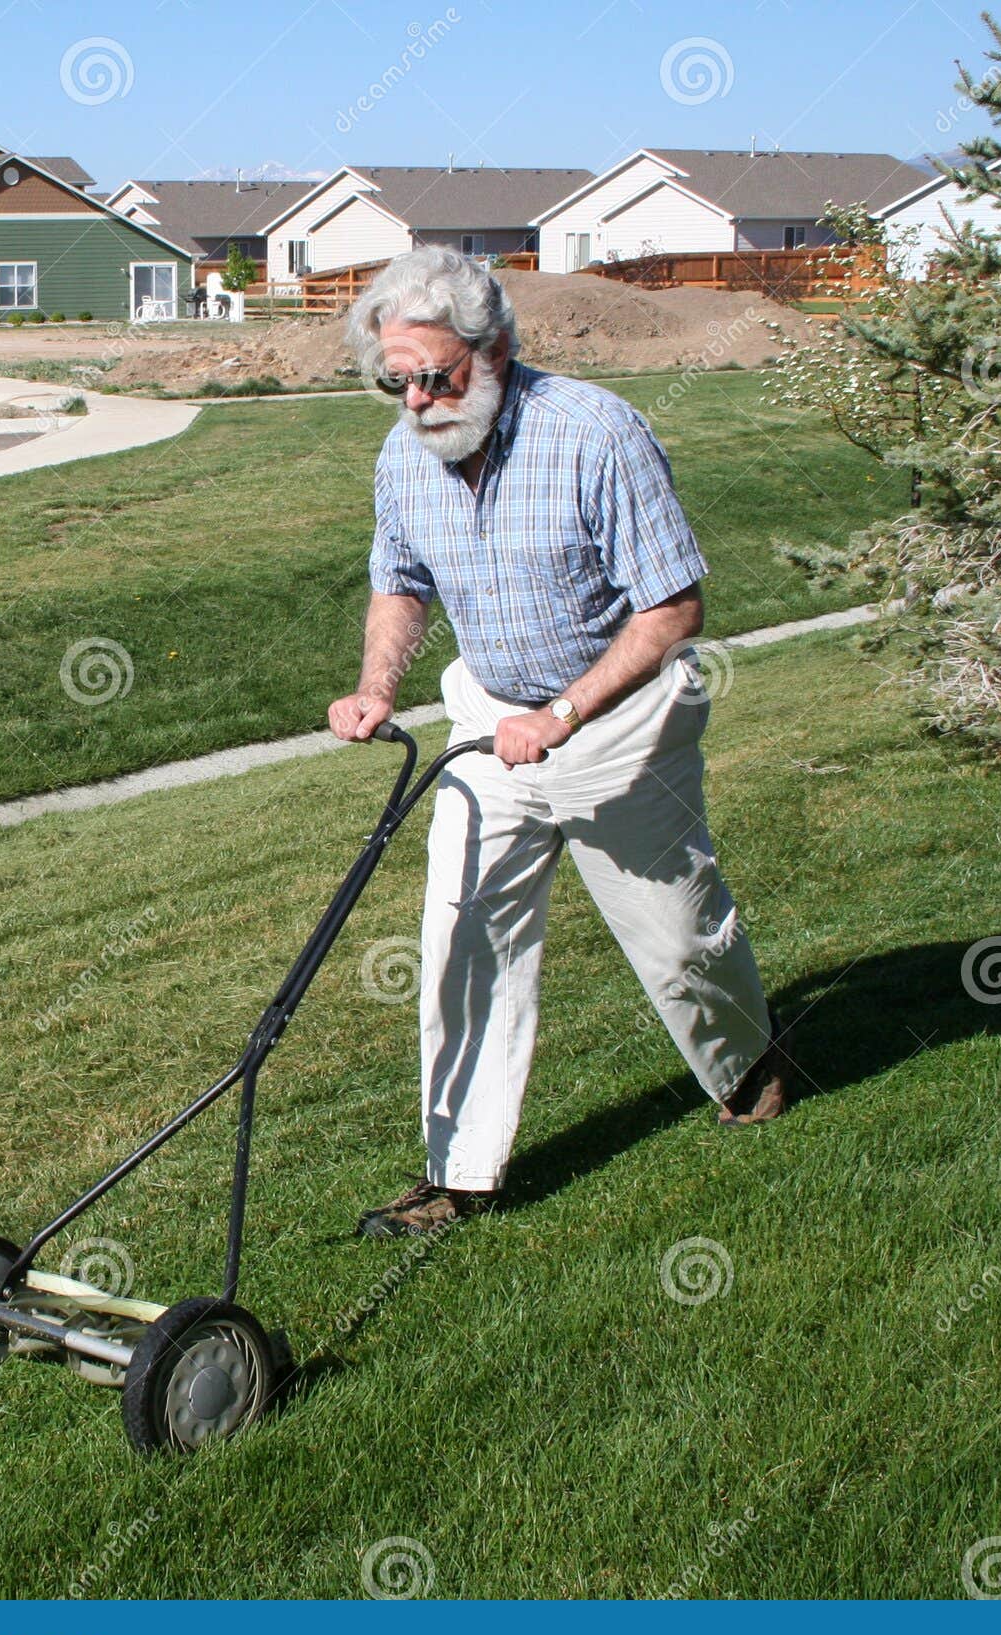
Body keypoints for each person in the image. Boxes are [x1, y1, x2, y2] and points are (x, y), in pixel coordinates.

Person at [330, 246, 791, 1238]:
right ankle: (457, 1175)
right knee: (462, 940)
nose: (416, 401)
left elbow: (672, 611)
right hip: (488, 720)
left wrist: (566, 715)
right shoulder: (404, 453)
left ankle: (746, 1067)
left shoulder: (596, 434)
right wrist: (376, 689)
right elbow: (399, 581)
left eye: (435, 376)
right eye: (394, 381)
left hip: (619, 723)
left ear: (493, 347)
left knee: (676, 940)